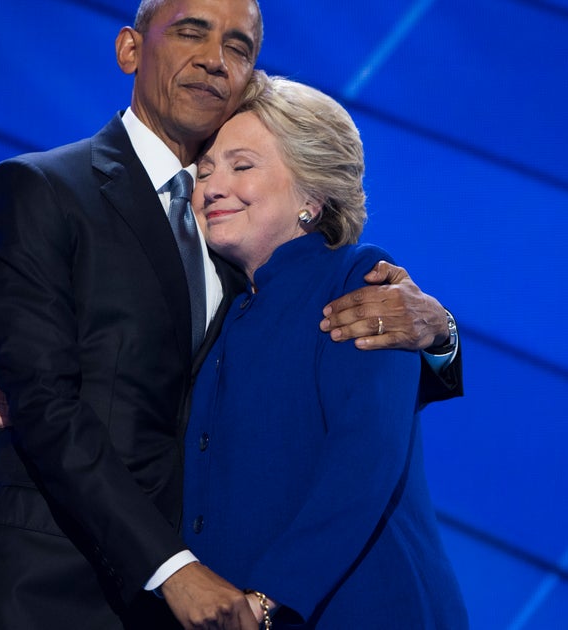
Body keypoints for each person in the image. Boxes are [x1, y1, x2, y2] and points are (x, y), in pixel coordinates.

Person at [0, 1, 461, 629]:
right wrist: (24, 398)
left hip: (214, 604)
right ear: (130, 48)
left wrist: (441, 333)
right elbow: (48, 399)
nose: (214, 58)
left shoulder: (251, 255)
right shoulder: (37, 191)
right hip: (45, 589)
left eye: (239, 47)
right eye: (190, 31)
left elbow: (349, 413)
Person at [179, 73, 467, 628]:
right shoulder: (220, 306)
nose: (212, 186)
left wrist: (266, 598)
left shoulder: (360, 280)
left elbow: (364, 459)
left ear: (311, 197)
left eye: (242, 166)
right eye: (205, 169)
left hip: (361, 607)